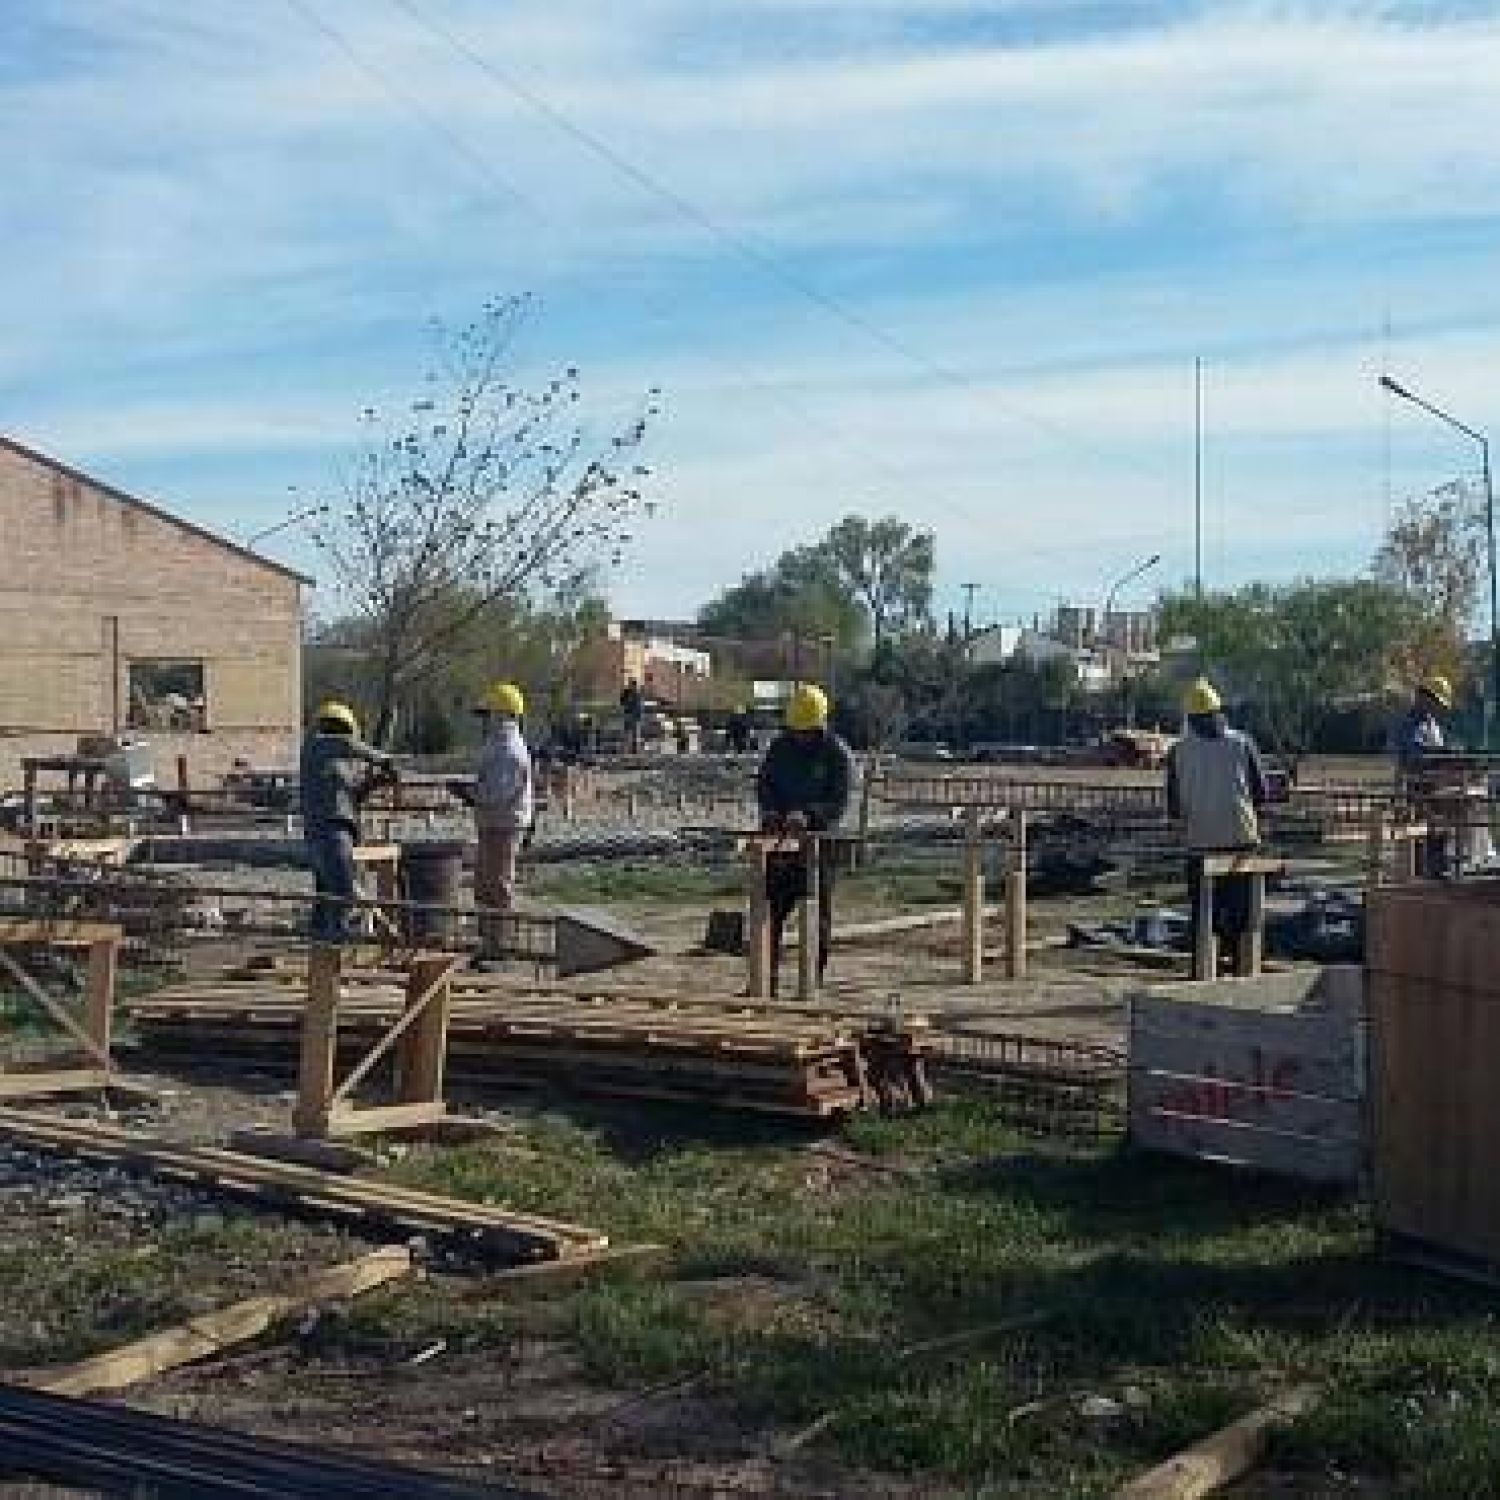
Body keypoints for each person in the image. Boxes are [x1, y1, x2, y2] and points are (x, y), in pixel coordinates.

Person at [756, 683, 856, 993]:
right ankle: (764, 981)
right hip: (780, 843)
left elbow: (838, 801)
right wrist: (771, 811)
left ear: (819, 725)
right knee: (769, 911)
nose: (799, 737)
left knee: (815, 915)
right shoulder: (780, 748)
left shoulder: (837, 754)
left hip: (818, 844)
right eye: (795, 730)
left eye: (805, 732)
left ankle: (811, 980)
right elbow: (765, 783)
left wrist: (809, 815)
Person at [1165, 678, 1269, 975]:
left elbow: (1173, 805)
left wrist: (1180, 827)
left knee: (1203, 912)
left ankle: (1202, 968)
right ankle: (1242, 967)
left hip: (1199, 842)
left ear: (1190, 718)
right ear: (1219, 712)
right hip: (1241, 838)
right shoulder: (1243, 743)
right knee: (1242, 910)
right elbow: (1260, 792)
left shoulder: (1178, 752)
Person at [299, 701, 396, 945]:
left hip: (340, 829)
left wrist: (377, 782)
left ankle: (323, 953)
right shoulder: (315, 747)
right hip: (328, 830)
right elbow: (345, 745)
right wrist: (382, 758)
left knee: (327, 896)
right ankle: (333, 949)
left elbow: (352, 797)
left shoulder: (337, 765)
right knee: (342, 892)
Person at [469, 682, 534, 951]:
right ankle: (489, 942)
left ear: (502, 715)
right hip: (494, 821)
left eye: (489, 714)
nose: (485, 721)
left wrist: (470, 794)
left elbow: (497, 793)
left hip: (504, 822)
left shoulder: (508, 749)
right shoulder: (498, 745)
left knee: (497, 884)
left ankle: (499, 946)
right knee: (485, 883)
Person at [620, 678, 645, 754]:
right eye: (632, 685)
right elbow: (622, 701)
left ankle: (634, 749)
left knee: (634, 734)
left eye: (634, 685)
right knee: (627, 732)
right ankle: (626, 749)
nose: (633, 687)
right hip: (628, 715)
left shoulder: (637, 695)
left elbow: (639, 707)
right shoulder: (626, 693)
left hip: (634, 716)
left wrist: (639, 716)